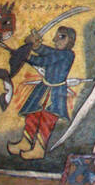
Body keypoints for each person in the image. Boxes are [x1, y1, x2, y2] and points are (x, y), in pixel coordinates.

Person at [8, 27, 77, 161]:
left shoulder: (67, 54)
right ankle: (25, 142)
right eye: (57, 36)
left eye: (61, 37)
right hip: (44, 88)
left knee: (46, 120)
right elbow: (46, 51)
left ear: (70, 40)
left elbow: (44, 61)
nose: (56, 39)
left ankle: (39, 149)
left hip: (55, 93)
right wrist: (36, 46)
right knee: (33, 114)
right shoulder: (57, 52)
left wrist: (26, 56)